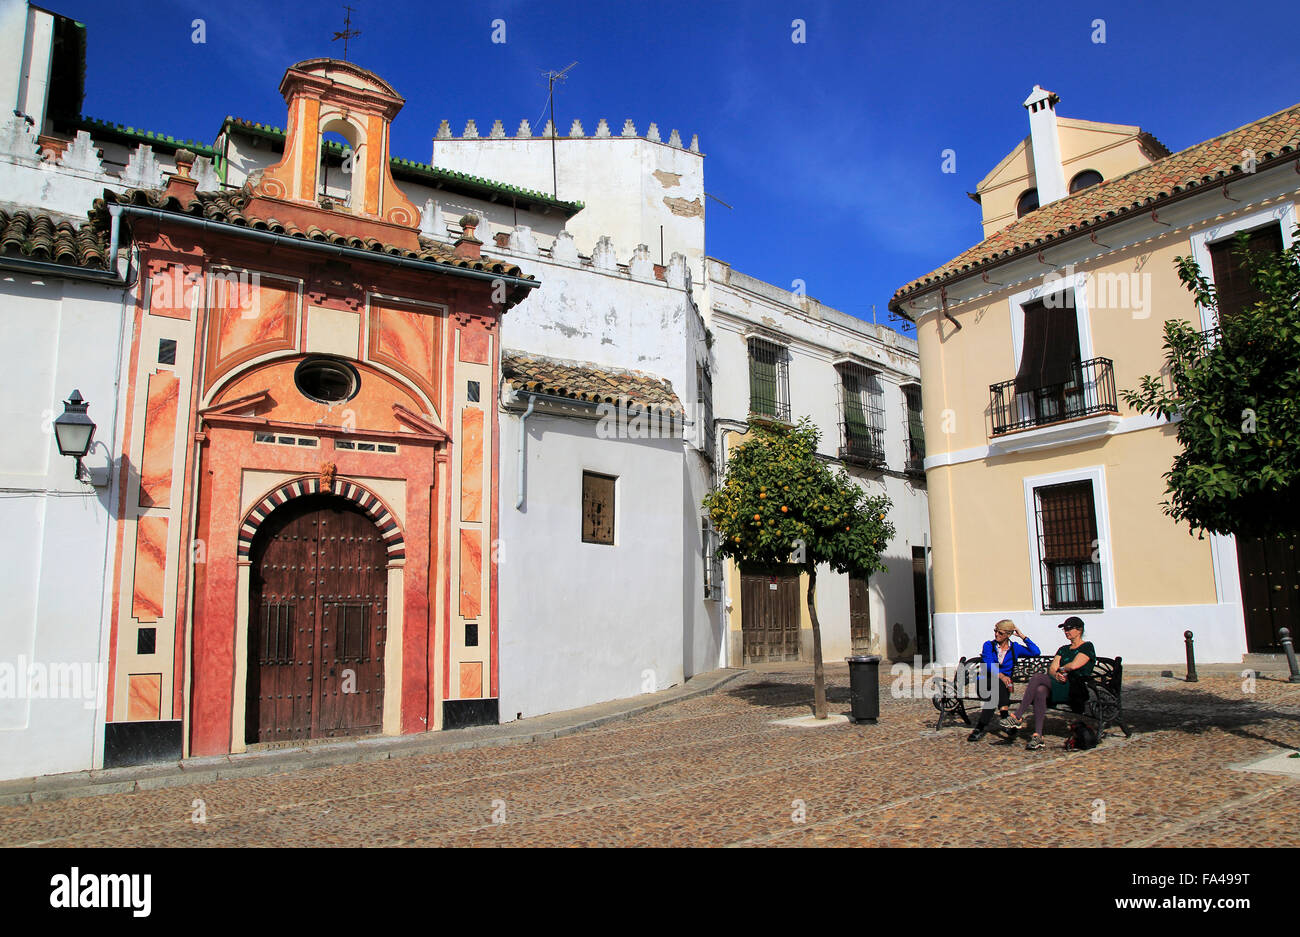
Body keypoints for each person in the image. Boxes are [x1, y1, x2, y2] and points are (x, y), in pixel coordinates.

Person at [1006, 616, 1095, 750]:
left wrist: (1061, 670)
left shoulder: (1087, 646)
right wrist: (1057, 674)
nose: (1066, 631)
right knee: (1040, 690)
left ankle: (1018, 716)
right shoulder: (1063, 649)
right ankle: (1038, 735)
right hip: (1060, 685)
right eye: (1064, 629)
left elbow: (1075, 665)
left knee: (1037, 678)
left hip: (1075, 688)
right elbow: (1052, 669)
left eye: (1069, 629)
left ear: (1079, 630)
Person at [967, 620, 1039, 741]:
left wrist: (1022, 636)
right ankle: (1005, 717)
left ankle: (979, 728)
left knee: (995, 694)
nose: (996, 635)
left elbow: (1036, 652)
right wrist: (1002, 676)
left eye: (1000, 633)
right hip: (985, 681)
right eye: (995, 631)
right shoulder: (988, 645)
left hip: (1001, 686)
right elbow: (989, 664)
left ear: (1008, 634)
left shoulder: (1015, 648)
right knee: (998, 684)